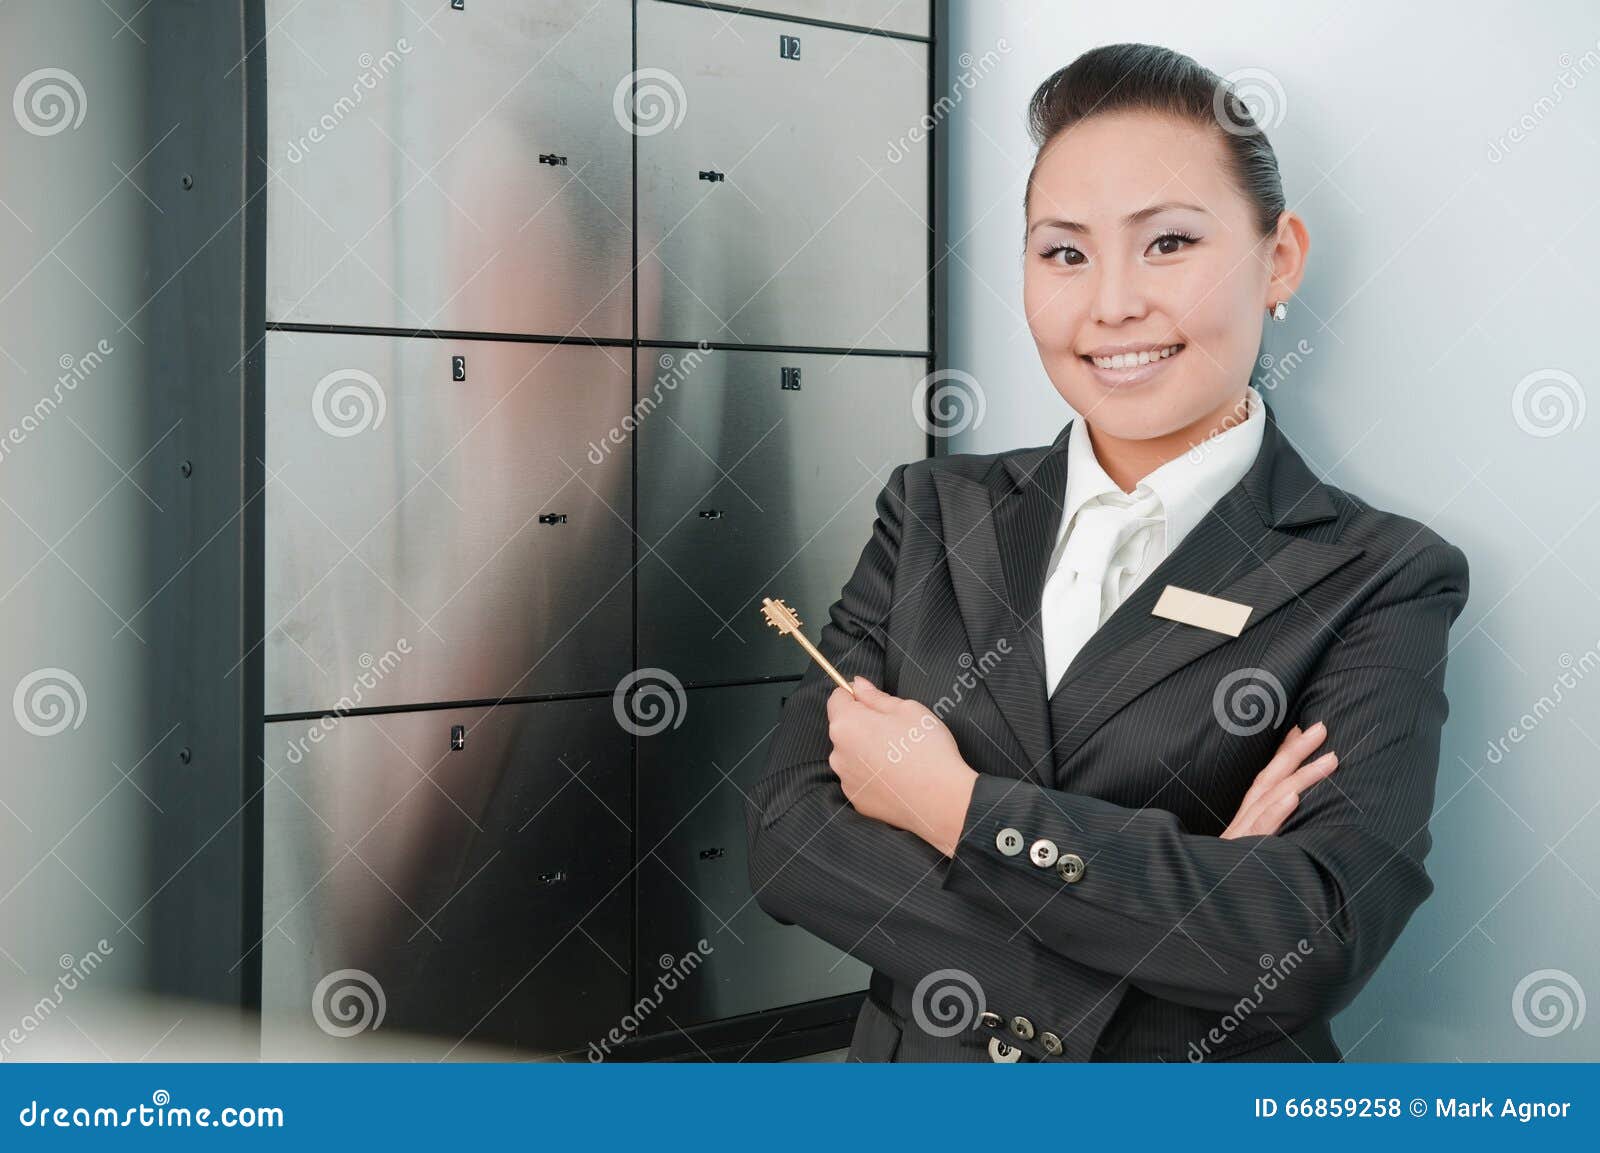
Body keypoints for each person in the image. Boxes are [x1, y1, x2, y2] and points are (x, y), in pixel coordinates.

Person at [744, 42, 1470, 1062]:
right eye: (1064, 253)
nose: (1112, 304)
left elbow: (1314, 935)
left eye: (1168, 242)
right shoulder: (932, 511)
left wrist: (949, 805)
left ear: (1278, 258)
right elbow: (792, 840)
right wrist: (1185, 923)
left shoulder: (1377, 576)